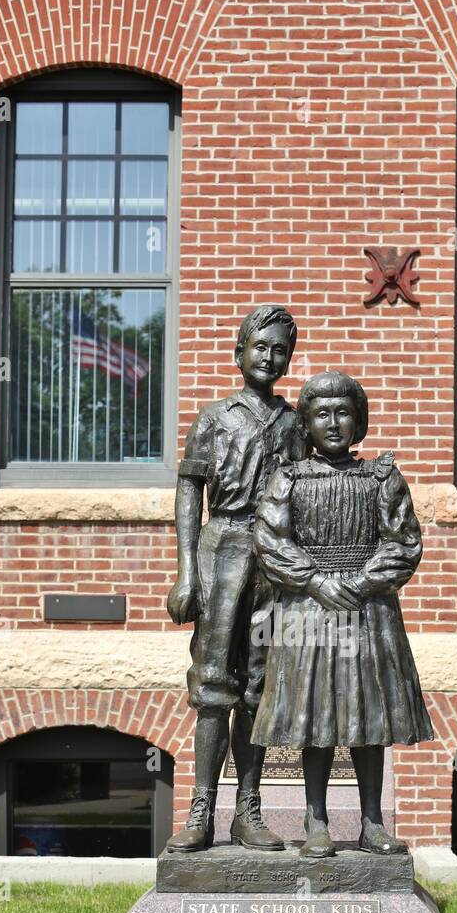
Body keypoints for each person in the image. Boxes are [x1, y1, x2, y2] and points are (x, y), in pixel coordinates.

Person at [251, 371, 433, 857]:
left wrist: (358, 583)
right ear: (306, 423)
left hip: (368, 612)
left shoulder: (382, 478)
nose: (333, 423)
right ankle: (315, 821)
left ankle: (373, 821)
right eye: (321, 414)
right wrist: (317, 581)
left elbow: (403, 543)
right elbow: (270, 541)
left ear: (359, 420)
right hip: (306, 612)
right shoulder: (286, 478)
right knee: (315, 719)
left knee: (367, 715)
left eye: (344, 412)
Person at [165, 305, 306, 851]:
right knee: (213, 685)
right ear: (239, 352)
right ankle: (201, 807)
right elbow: (187, 492)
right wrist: (185, 571)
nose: (270, 357)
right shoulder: (213, 418)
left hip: (274, 557)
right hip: (221, 548)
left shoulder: (295, 423)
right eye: (261, 347)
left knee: (258, 687)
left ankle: (248, 808)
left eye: (280, 350)